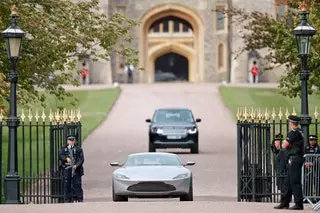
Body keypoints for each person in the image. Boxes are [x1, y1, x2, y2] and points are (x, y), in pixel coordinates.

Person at [274, 115, 304, 210]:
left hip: (294, 159)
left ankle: (299, 204)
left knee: (295, 182)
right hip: (295, 158)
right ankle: (285, 202)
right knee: (287, 183)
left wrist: (280, 144)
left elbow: (285, 145)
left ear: (291, 123)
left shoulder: (293, 133)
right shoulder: (300, 132)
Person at [58, 135, 84, 202]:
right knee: (67, 184)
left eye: (72, 140)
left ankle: (79, 198)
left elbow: (81, 159)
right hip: (67, 169)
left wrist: (76, 165)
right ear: (67, 141)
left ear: (74, 141)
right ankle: (67, 199)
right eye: (70, 140)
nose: (71, 142)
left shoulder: (78, 149)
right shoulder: (64, 149)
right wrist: (66, 158)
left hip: (76, 169)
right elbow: (60, 155)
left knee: (77, 184)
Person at [304, 135, 320, 202]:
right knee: (307, 183)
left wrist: (312, 163)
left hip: (316, 169)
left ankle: (318, 198)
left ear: (316, 140)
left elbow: (318, 158)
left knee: (316, 183)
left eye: (313, 140)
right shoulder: (306, 148)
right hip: (307, 168)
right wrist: (306, 163)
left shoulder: (318, 148)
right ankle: (308, 198)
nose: (312, 141)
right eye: (311, 140)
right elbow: (304, 156)